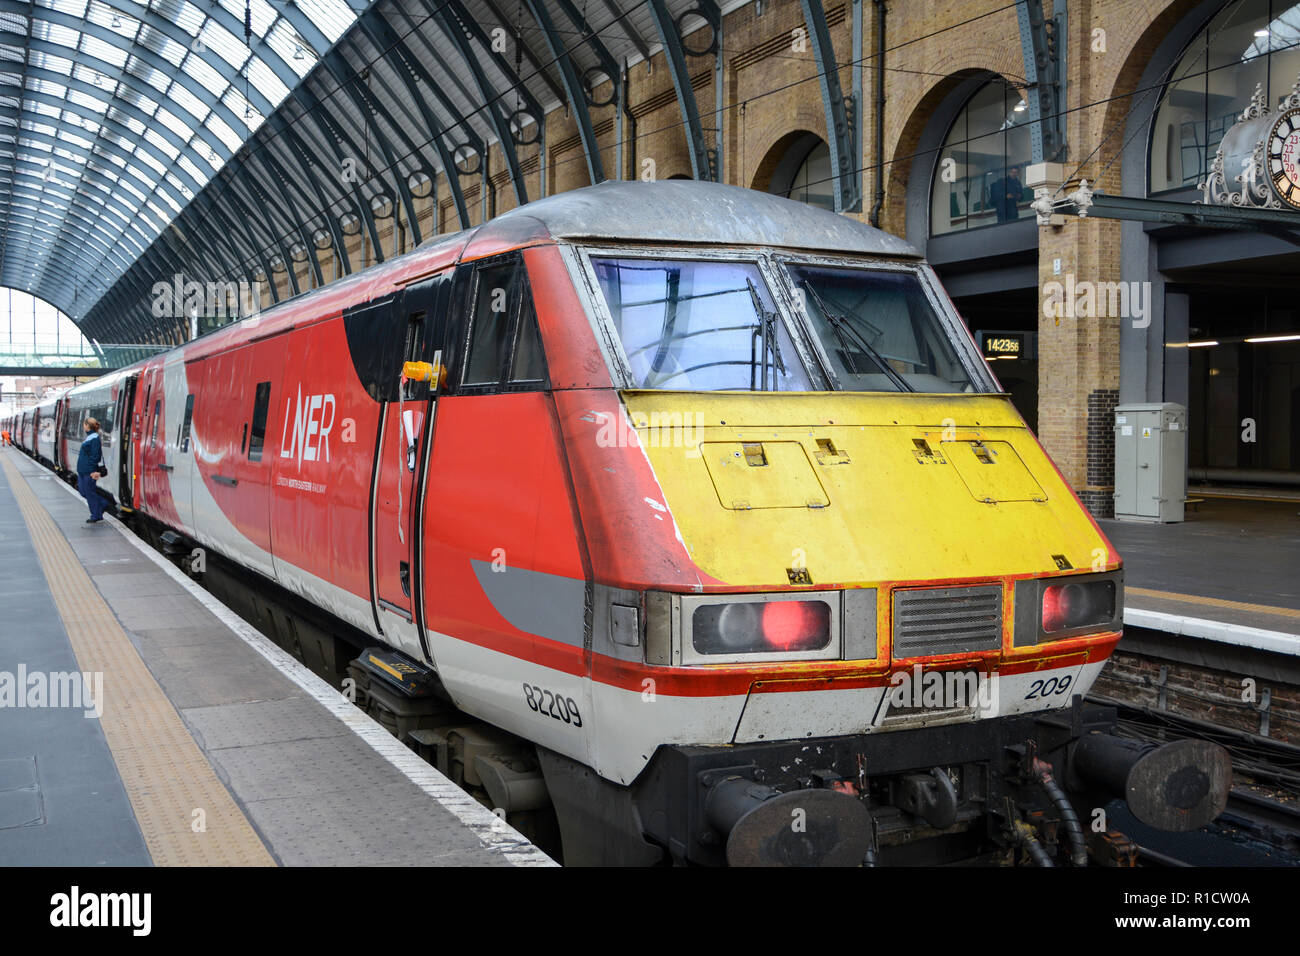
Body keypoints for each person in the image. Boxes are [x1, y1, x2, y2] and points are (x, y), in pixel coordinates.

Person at [77, 417, 108, 524]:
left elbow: (96, 456)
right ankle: (102, 503)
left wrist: (93, 471)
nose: (83, 426)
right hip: (82, 471)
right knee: (83, 491)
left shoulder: (94, 438)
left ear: (87, 425)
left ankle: (95, 515)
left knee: (89, 492)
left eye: (84, 424)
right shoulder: (89, 437)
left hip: (89, 471)